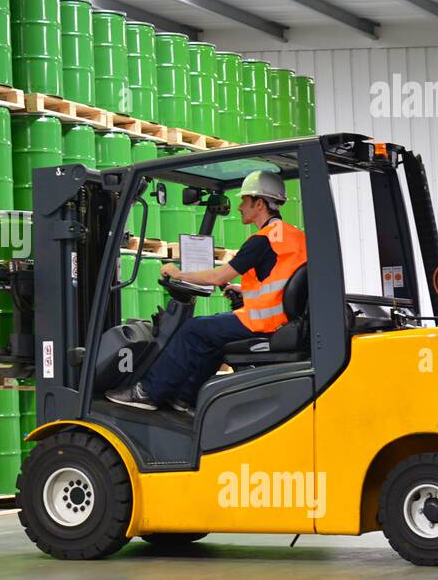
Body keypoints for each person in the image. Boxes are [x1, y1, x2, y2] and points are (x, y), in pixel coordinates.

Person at [106, 170, 306, 413]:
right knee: (212, 337)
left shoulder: (262, 239)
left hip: (263, 321)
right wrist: (242, 289)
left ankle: (146, 392)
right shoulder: (294, 236)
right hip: (282, 318)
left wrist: (178, 274)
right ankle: (184, 398)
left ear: (260, 203)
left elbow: (218, 276)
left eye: (244, 200)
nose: (240, 206)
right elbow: (284, 278)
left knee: (193, 330)